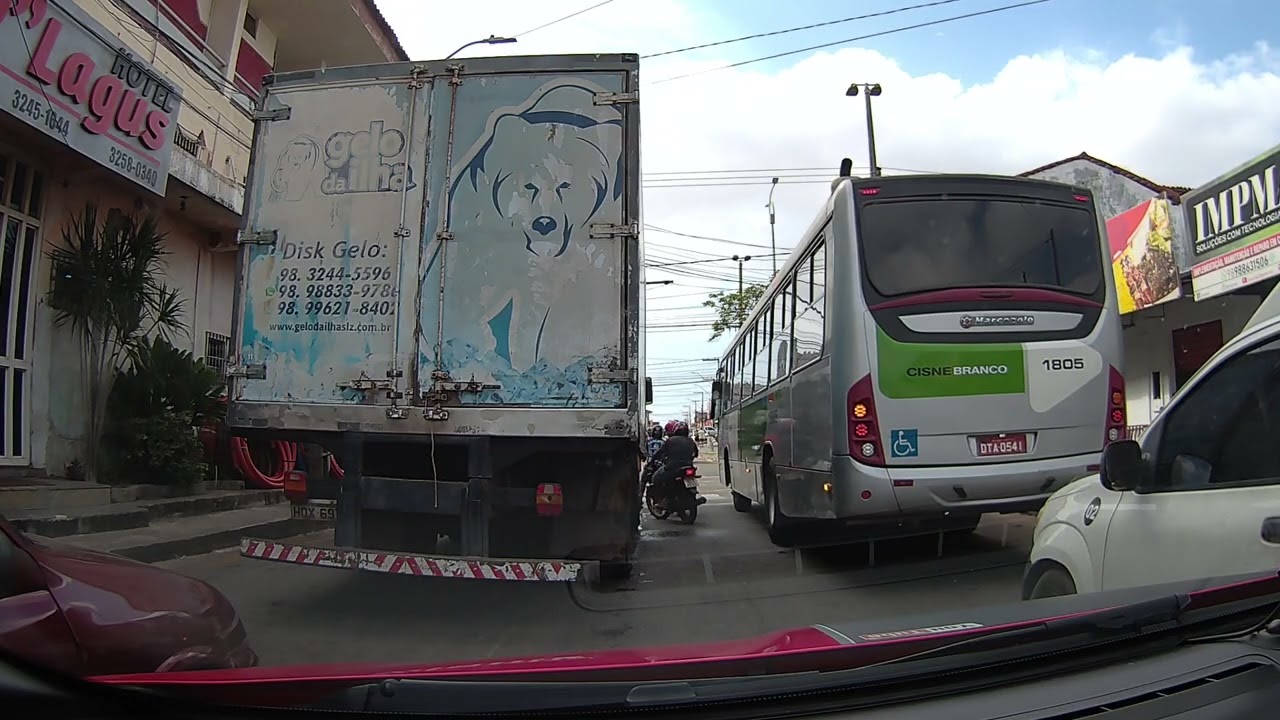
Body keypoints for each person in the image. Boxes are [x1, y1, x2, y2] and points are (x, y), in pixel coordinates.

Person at [651, 421, 699, 497]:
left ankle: (660, 496)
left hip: (672, 468)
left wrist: (652, 461)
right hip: (688, 467)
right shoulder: (690, 441)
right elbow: (696, 454)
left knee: (655, 478)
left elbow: (660, 453)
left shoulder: (670, 440)